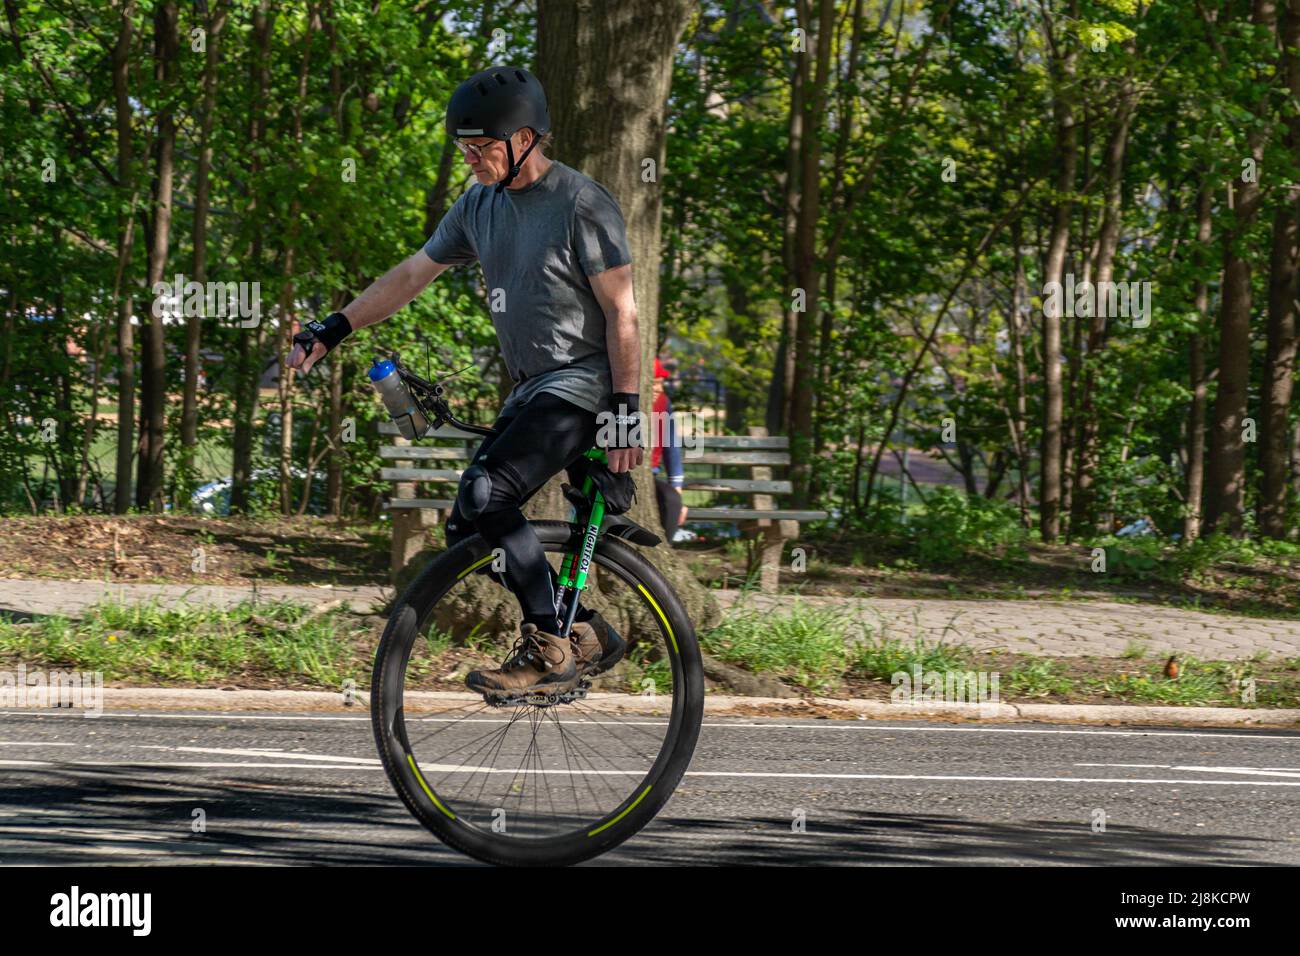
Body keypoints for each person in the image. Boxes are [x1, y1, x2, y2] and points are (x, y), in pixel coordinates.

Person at [286, 66, 636, 700]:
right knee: (468, 525)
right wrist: (336, 326)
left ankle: (548, 647)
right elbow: (413, 273)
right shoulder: (480, 203)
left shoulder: (582, 203)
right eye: (464, 149)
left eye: (483, 148)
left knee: (486, 492)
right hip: (532, 387)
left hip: (583, 385)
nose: (471, 160)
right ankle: (581, 628)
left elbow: (622, 312)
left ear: (527, 138)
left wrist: (626, 414)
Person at [650, 357, 688, 541]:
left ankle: (666, 547)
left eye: (661, 383)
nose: (659, 389)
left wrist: (677, 487)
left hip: (649, 478)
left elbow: (670, 446)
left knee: (672, 500)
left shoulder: (663, 403)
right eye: (654, 383)